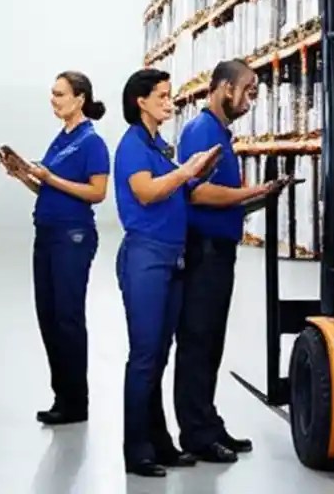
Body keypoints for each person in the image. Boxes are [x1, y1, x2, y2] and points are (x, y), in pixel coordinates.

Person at [174, 60, 285, 462]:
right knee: (197, 341)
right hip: (203, 251)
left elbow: (226, 198)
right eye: (248, 90)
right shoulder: (201, 131)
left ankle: (208, 421)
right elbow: (197, 193)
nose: (251, 99)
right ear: (224, 88)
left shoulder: (221, 133)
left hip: (219, 251)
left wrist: (264, 194)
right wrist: (251, 191)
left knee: (211, 343)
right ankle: (197, 434)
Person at [112, 68, 221, 478]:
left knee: (159, 354)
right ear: (140, 101)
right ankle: (136, 449)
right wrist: (185, 172)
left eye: (169, 94)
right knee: (143, 355)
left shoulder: (158, 146)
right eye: (161, 95)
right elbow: (145, 191)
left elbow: (172, 187)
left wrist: (196, 172)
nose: (168, 101)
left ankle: (160, 442)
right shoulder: (132, 146)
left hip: (172, 257)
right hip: (146, 257)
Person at [3, 72, 110, 426]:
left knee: (67, 317)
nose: (54, 100)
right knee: (48, 315)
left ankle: (76, 401)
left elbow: (96, 192)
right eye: (52, 94)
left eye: (60, 94)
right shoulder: (61, 138)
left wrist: (50, 178)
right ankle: (61, 395)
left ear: (80, 99)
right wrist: (24, 176)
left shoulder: (91, 141)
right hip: (47, 233)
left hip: (73, 237)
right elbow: (53, 191)